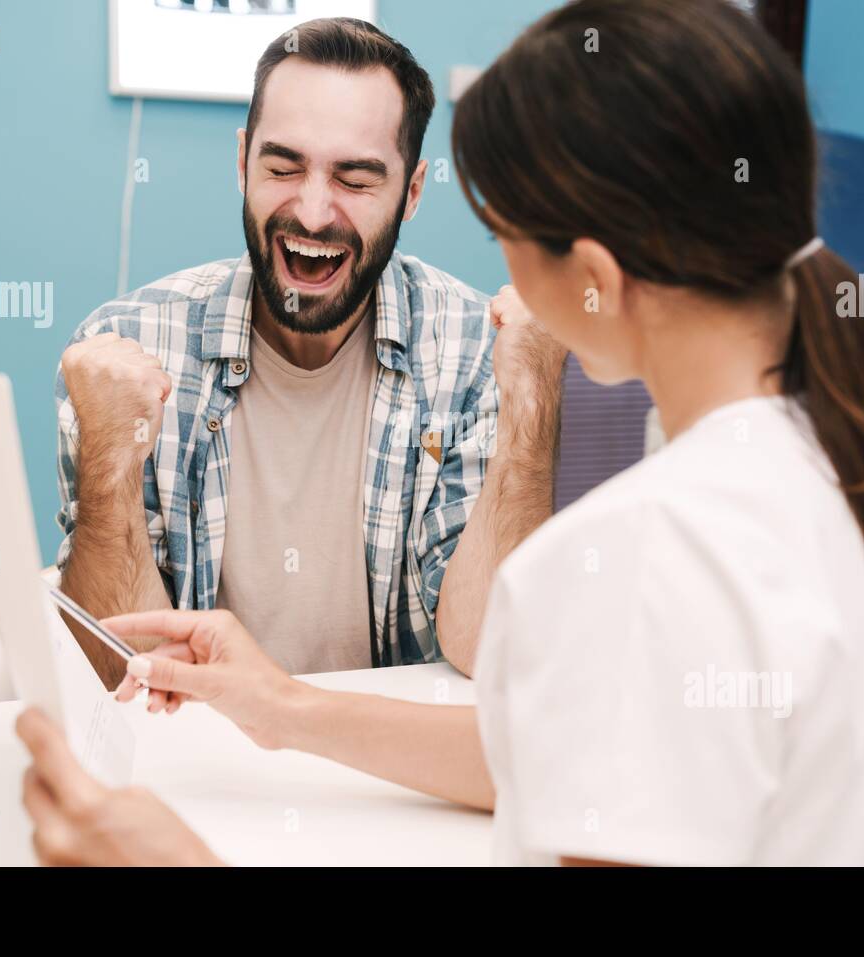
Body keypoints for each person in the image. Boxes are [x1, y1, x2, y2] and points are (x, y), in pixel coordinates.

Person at [19, 0, 864, 866]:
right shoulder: (861, 473)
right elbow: (554, 753)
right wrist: (285, 706)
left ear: (587, 272)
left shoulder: (634, 553)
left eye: (501, 228)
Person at [54, 17, 565, 687]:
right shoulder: (125, 347)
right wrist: (109, 465)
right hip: (196, 757)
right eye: (283, 166)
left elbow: (488, 649)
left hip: (393, 774)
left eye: (355, 179)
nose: (315, 212)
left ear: (411, 192)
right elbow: (120, 667)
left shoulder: (478, 355)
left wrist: (531, 397)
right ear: (243, 163)